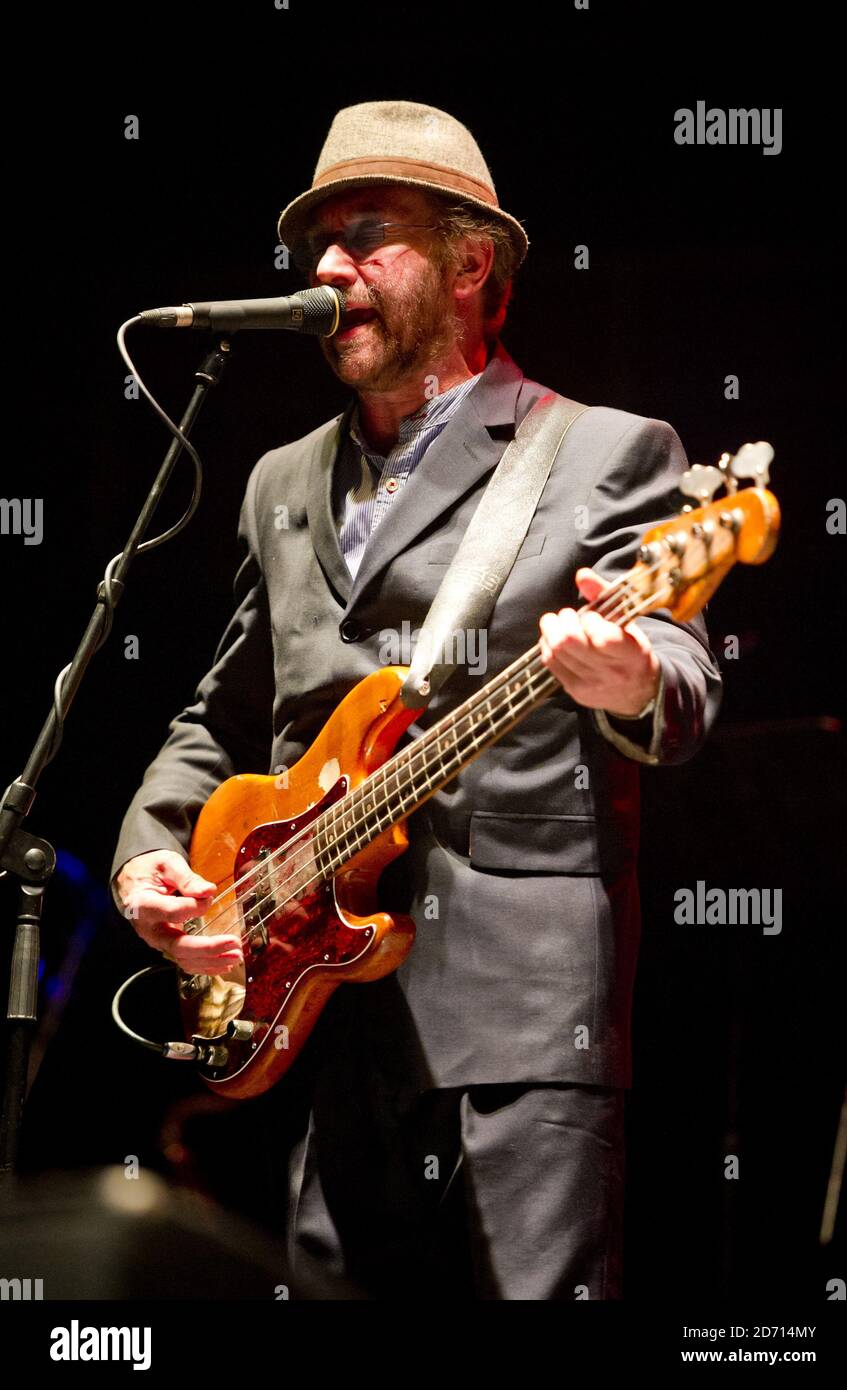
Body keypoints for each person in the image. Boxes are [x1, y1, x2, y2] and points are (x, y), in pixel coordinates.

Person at [110, 99, 722, 1300]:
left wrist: (633, 675)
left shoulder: (601, 451)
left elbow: (685, 671)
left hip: (520, 1025)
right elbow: (219, 721)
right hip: (320, 1010)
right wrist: (148, 854)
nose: (327, 269)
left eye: (367, 235)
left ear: (468, 262)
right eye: (315, 247)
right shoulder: (280, 480)